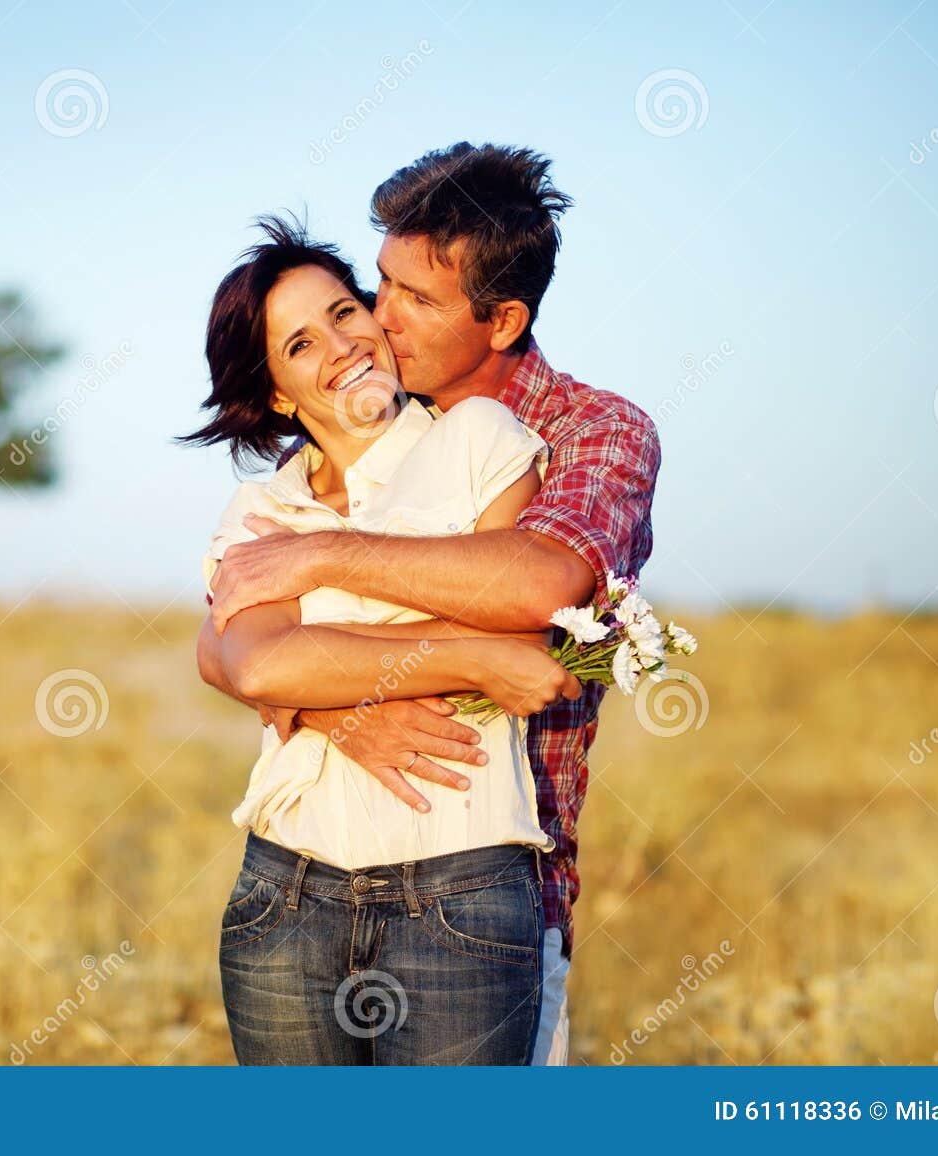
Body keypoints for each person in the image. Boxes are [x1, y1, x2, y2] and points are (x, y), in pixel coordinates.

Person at [199, 143, 662, 1064]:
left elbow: (533, 591)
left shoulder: (582, 432)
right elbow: (232, 653)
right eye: (378, 285)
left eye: (414, 299)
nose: (376, 321)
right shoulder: (292, 484)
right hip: (295, 879)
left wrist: (321, 563)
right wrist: (340, 710)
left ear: (500, 323)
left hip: (487, 877)